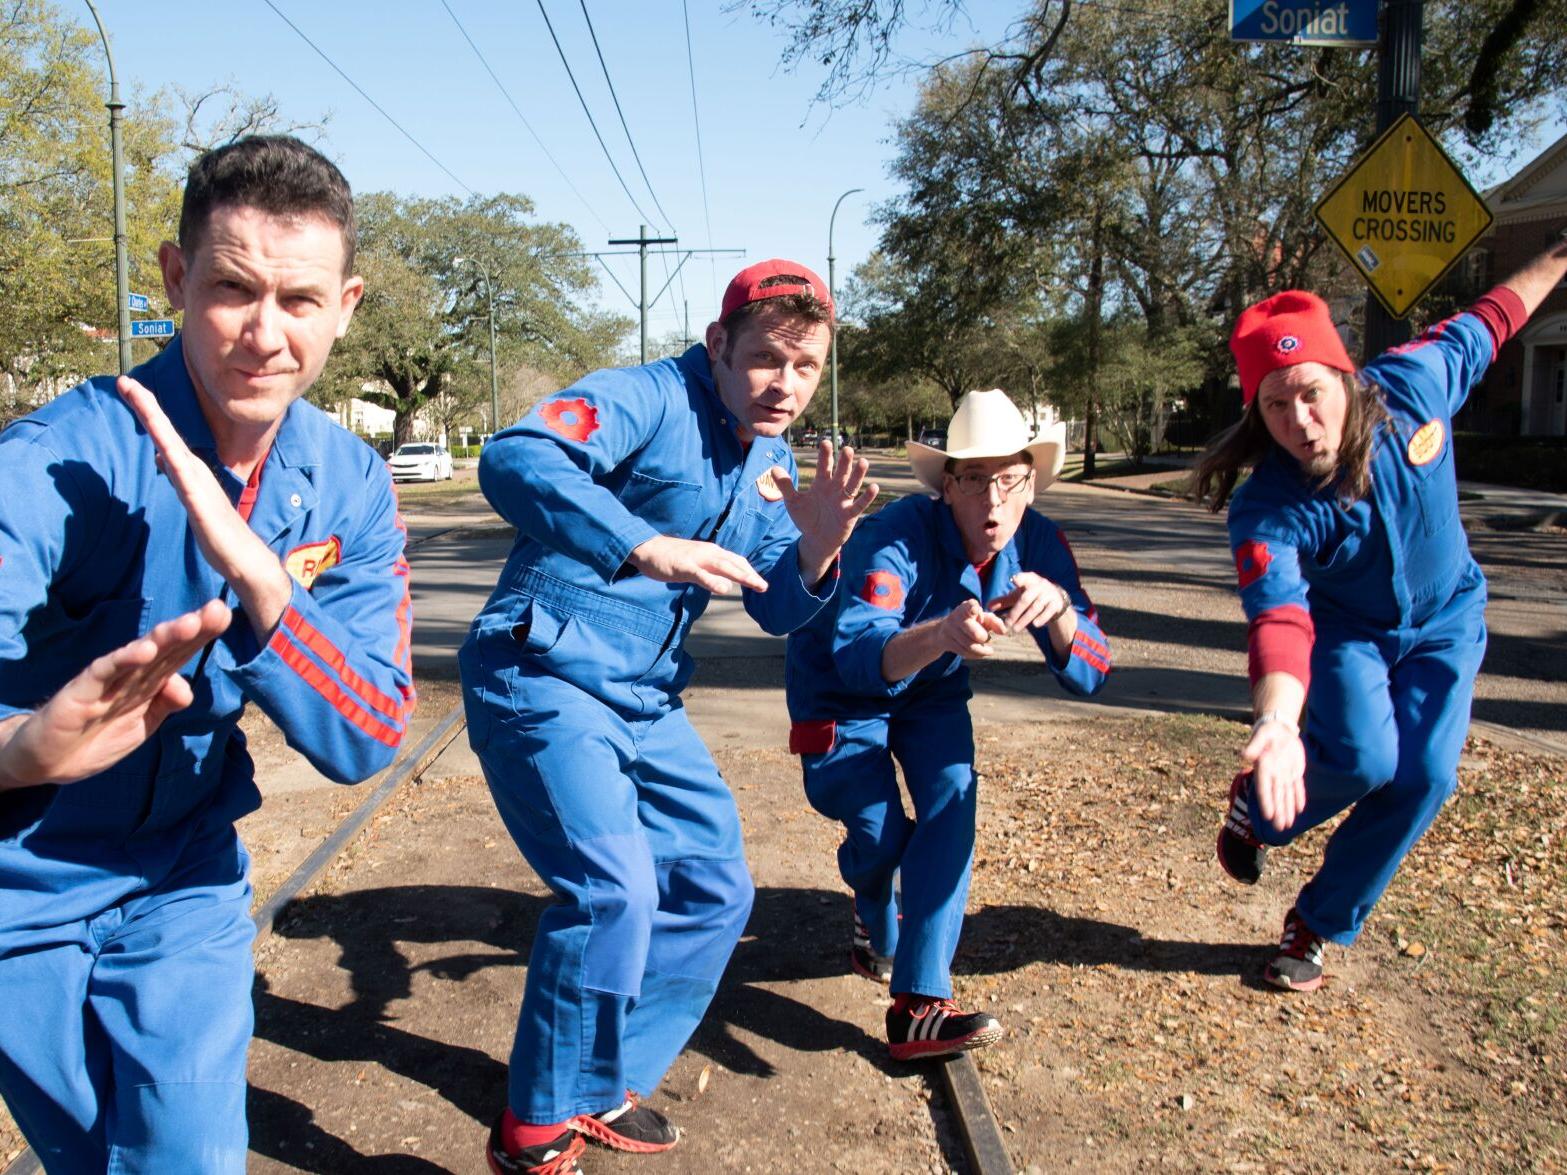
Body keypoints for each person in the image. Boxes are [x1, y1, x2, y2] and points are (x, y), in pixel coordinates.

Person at [0, 135, 413, 1169]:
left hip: (185, 870)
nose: (266, 335)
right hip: (21, 884)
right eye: (233, 289)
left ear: (348, 304)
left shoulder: (348, 480)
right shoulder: (57, 461)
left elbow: (370, 734)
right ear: (177, 278)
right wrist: (21, 750)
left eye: (301, 300)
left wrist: (269, 590)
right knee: (91, 1154)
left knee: (186, 1154)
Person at [461, 260, 877, 1174]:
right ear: (717, 344)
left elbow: (774, 604)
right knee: (610, 889)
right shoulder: (643, 397)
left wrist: (816, 548)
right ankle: (533, 1124)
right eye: (766, 358)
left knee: (714, 888)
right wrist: (641, 544)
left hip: (646, 699)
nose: (786, 386)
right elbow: (515, 456)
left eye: (805, 367)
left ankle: (603, 1076)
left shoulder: (770, 459)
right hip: (544, 670)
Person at [1196, 226, 1567, 992]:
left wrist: (1559, 255)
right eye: (1274, 405)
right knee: (1366, 758)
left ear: (1345, 375)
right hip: (1346, 631)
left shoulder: (1417, 380)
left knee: (1425, 774)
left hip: (1446, 617)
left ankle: (1318, 920)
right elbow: (1279, 617)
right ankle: (1259, 811)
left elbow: (1499, 312)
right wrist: (1274, 722)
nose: (1297, 420)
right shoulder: (1267, 504)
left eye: (1310, 393)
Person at [785, 389, 1111, 1060]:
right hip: (842, 692)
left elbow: (1093, 667)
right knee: (878, 837)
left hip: (932, 693)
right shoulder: (893, 534)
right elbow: (858, 657)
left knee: (952, 799)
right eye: (973, 480)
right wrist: (942, 632)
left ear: (1029, 481)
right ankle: (868, 892)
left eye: (1009, 480)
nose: (992, 501)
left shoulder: (1040, 540)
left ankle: (919, 1005)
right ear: (947, 486)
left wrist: (1057, 613)